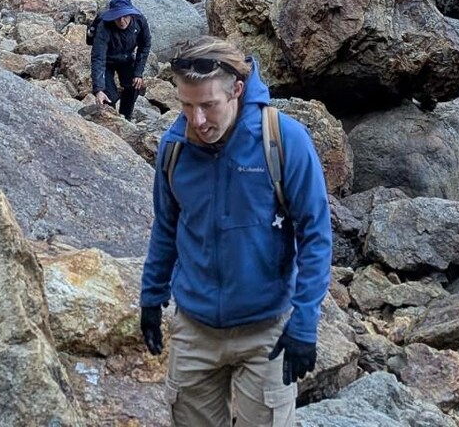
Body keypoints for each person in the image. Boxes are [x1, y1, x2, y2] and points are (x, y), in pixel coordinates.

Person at [141, 38, 331, 427]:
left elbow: (315, 232)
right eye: (186, 105)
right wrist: (152, 293)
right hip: (195, 328)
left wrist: (305, 322)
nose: (197, 121)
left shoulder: (282, 140)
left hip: (266, 330)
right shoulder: (174, 149)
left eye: (208, 105)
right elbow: (166, 226)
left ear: (237, 91)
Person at [88, 0, 151, 118]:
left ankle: (126, 117)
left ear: (131, 14)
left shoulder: (140, 21)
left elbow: (145, 46)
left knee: (134, 86)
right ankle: (110, 120)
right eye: (118, 18)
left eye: (125, 17)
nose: (122, 21)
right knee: (109, 96)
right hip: (107, 61)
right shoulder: (104, 26)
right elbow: (98, 58)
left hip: (126, 58)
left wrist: (138, 73)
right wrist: (98, 89)